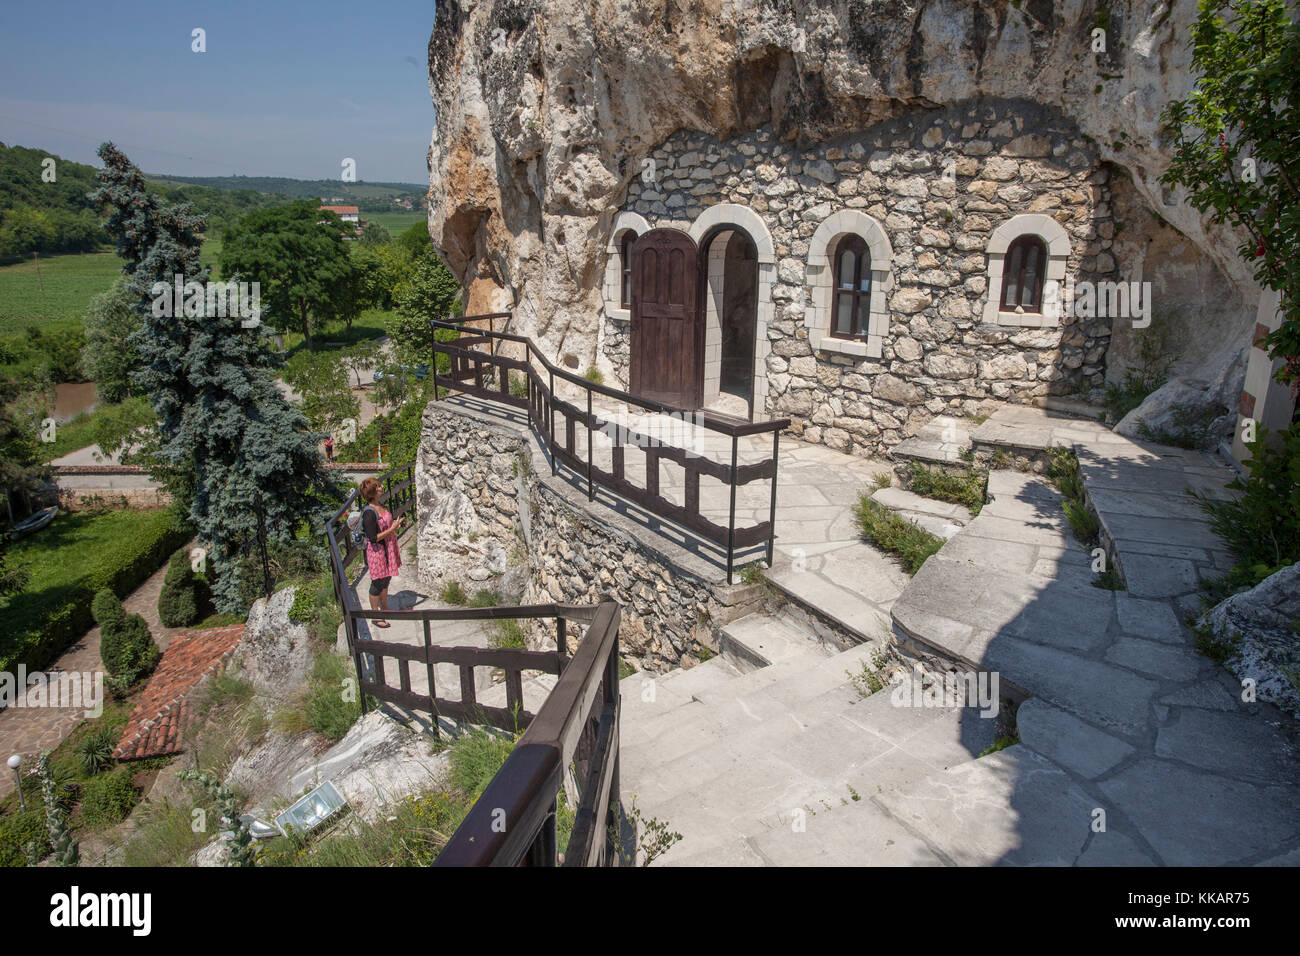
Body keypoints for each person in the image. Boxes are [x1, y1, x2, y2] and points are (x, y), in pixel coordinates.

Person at [358, 477, 403, 627]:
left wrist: (395, 524)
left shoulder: (379, 505)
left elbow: (385, 525)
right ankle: (376, 616)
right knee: (377, 583)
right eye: (378, 486)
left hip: (387, 548)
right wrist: (392, 529)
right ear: (372, 492)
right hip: (377, 552)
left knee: (386, 580)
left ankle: (385, 609)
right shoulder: (369, 513)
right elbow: (372, 538)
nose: (381, 487)